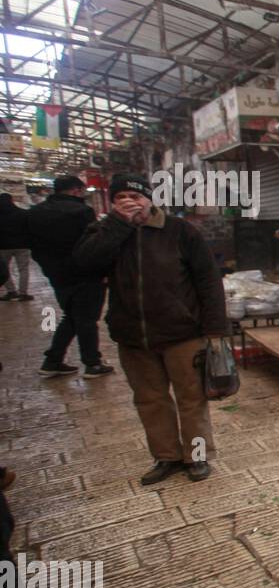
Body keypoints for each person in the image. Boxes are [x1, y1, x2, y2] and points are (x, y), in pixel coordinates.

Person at [73, 174, 227, 485]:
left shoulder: (180, 231)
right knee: (150, 399)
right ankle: (167, 457)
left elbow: (209, 282)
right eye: (120, 198)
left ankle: (196, 456)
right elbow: (83, 265)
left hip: (182, 333)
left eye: (135, 195)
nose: (129, 202)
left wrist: (215, 331)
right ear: (112, 204)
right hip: (133, 336)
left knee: (191, 398)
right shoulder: (107, 231)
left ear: (150, 198)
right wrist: (118, 225)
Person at [27, 176, 114, 378]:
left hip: (57, 275)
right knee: (87, 319)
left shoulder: (35, 213)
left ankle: (53, 360)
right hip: (86, 273)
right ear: (76, 190)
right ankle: (92, 363)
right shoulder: (82, 212)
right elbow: (94, 245)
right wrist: (105, 271)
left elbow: (33, 246)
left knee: (73, 316)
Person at [0, 191, 33, 301]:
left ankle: (11, 291)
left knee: (4, 269)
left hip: (3, 246)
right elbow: (29, 229)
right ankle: (23, 293)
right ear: (12, 200)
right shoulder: (23, 213)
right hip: (22, 245)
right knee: (23, 269)